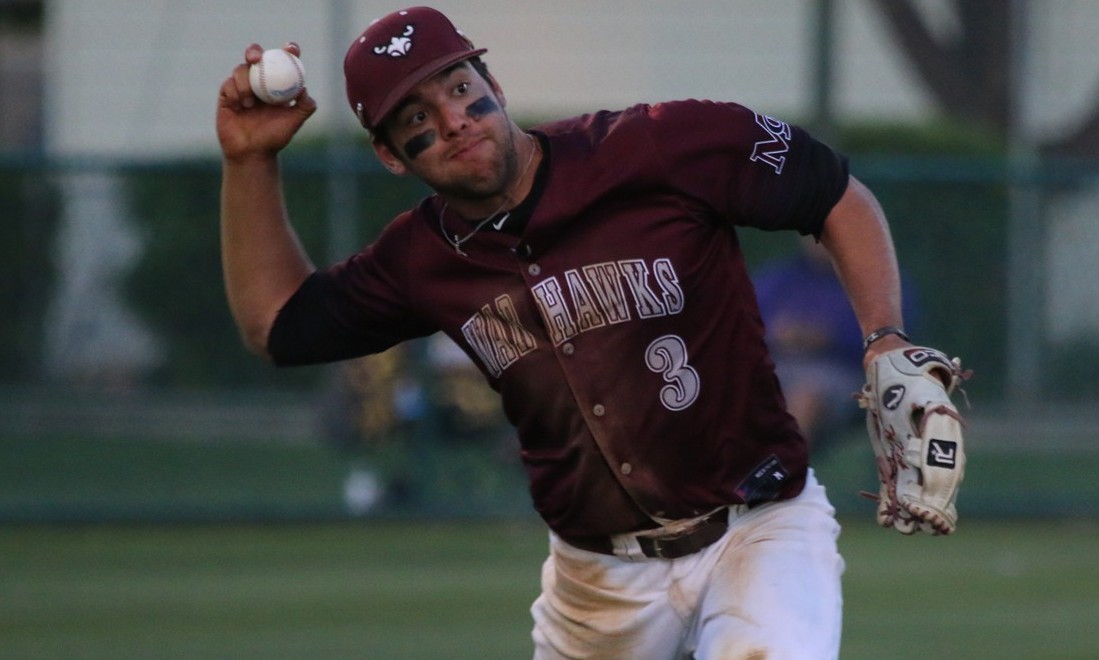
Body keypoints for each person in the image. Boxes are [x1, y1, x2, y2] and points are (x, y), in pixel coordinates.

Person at [216, 7, 918, 658]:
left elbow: (831, 193)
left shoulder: (656, 147)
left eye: (460, 88)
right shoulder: (420, 258)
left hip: (757, 529)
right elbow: (277, 324)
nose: (454, 120)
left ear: (494, 85)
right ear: (391, 154)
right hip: (597, 578)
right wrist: (249, 160)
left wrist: (884, 338)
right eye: (417, 117)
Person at [752, 237, 920, 454]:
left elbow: (896, 337)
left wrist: (830, 338)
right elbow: (745, 321)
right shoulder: (782, 277)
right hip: (780, 362)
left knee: (806, 395)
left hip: (844, 371)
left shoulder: (877, 279)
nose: (820, 241)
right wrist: (777, 333)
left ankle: (783, 467)